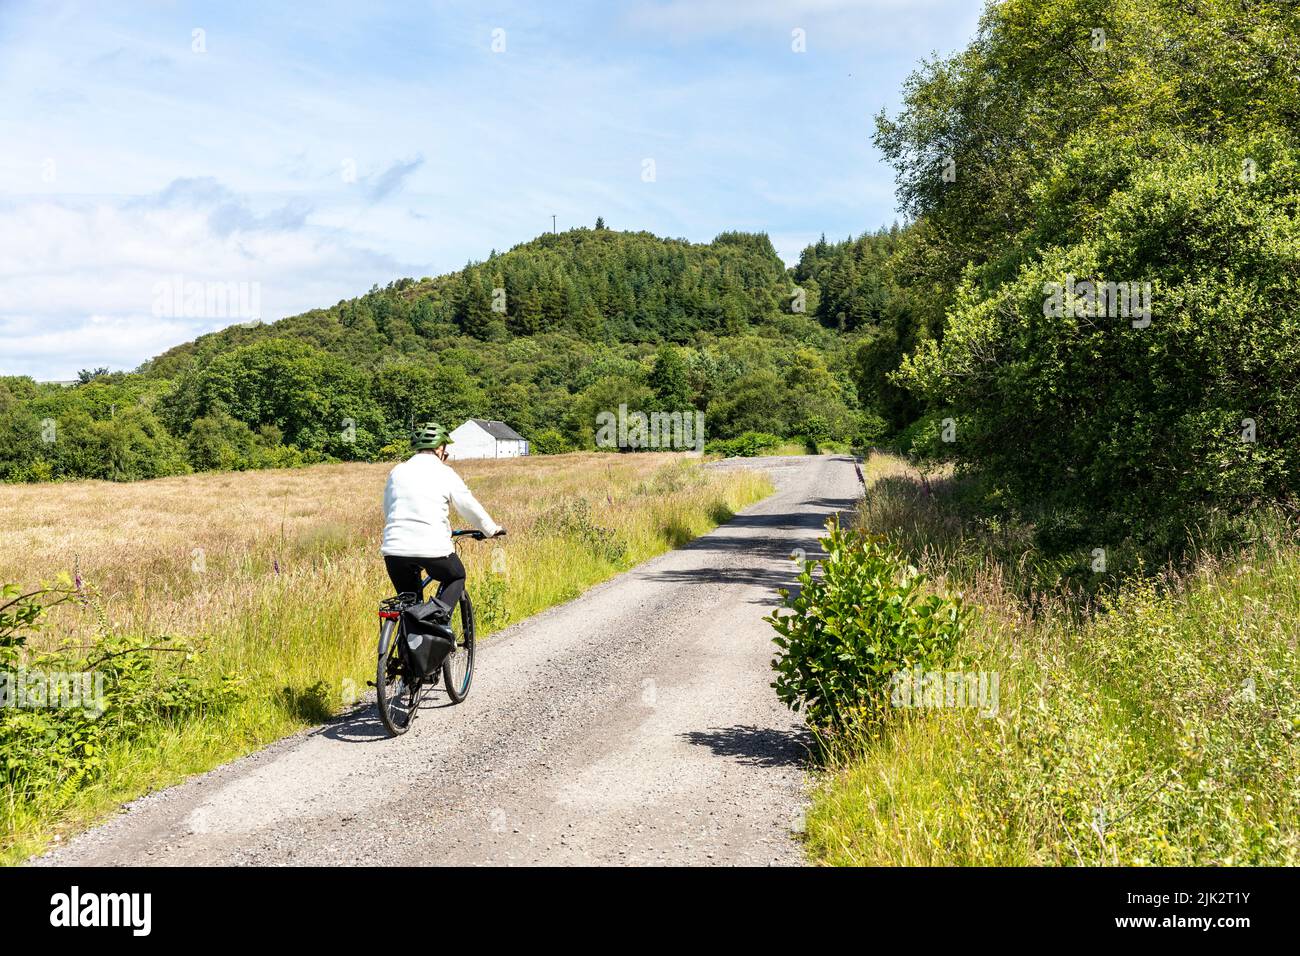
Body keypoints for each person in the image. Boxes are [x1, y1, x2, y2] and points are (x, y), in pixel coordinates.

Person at [381, 422, 504, 612]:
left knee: (409, 604)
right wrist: (491, 529)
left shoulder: (397, 471)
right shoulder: (445, 473)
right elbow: (467, 505)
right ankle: (437, 618)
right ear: (439, 448)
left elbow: (389, 508)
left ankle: (410, 637)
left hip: (394, 550)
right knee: (456, 576)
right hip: (433, 548)